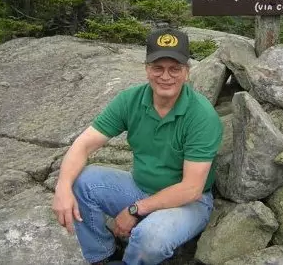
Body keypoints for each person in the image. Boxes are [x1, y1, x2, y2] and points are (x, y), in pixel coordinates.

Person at [52, 28, 223, 265]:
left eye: (174, 68)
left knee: (150, 238)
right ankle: (103, 255)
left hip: (189, 203)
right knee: (81, 182)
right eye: (158, 68)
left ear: (187, 72)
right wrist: (62, 187)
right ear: (146, 69)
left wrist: (135, 210)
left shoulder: (201, 116)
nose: (166, 76)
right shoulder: (129, 100)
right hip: (139, 186)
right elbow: (82, 145)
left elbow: (191, 189)